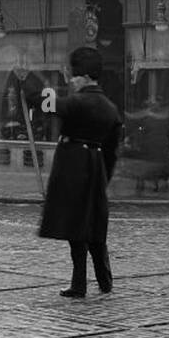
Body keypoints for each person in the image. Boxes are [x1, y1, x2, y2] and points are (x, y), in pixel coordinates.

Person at [38, 46, 123, 298]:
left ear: (84, 77)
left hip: (74, 167)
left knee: (76, 229)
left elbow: (49, 106)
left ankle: (79, 284)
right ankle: (105, 280)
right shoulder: (110, 108)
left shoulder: (77, 102)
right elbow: (112, 150)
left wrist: (35, 90)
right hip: (97, 168)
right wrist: (104, 177)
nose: (72, 81)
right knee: (95, 228)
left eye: (74, 76)